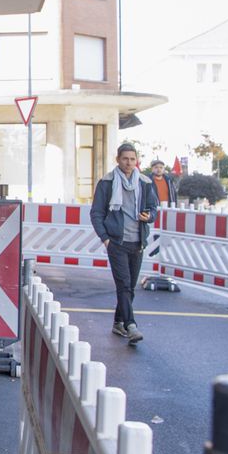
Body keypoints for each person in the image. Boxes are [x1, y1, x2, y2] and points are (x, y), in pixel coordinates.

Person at [90, 143, 159, 345]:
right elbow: (96, 213)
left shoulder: (145, 182)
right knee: (124, 284)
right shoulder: (107, 182)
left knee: (130, 287)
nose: (129, 163)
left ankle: (118, 322)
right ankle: (131, 325)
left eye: (132, 159)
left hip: (137, 241)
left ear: (137, 160)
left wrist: (149, 216)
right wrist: (105, 238)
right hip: (117, 242)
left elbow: (153, 208)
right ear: (118, 160)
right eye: (125, 159)